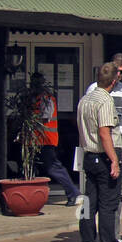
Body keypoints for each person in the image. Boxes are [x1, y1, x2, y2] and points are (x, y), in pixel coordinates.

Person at [85, 53, 122, 242]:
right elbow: (100, 129)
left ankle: (111, 237)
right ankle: (101, 241)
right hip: (102, 147)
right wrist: (113, 159)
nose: (119, 75)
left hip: (120, 143)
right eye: (117, 71)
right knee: (98, 197)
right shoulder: (95, 91)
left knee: (115, 194)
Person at [76, 62, 122, 242]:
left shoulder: (85, 100)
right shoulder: (105, 101)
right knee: (108, 205)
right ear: (114, 81)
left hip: (89, 155)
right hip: (104, 156)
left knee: (88, 204)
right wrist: (114, 160)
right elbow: (104, 133)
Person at [29, 73, 80, 206]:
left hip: (45, 140)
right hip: (36, 140)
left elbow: (45, 117)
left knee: (53, 168)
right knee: (37, 168)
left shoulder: (46, 99)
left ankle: (72, 192)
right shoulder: (37, 98)